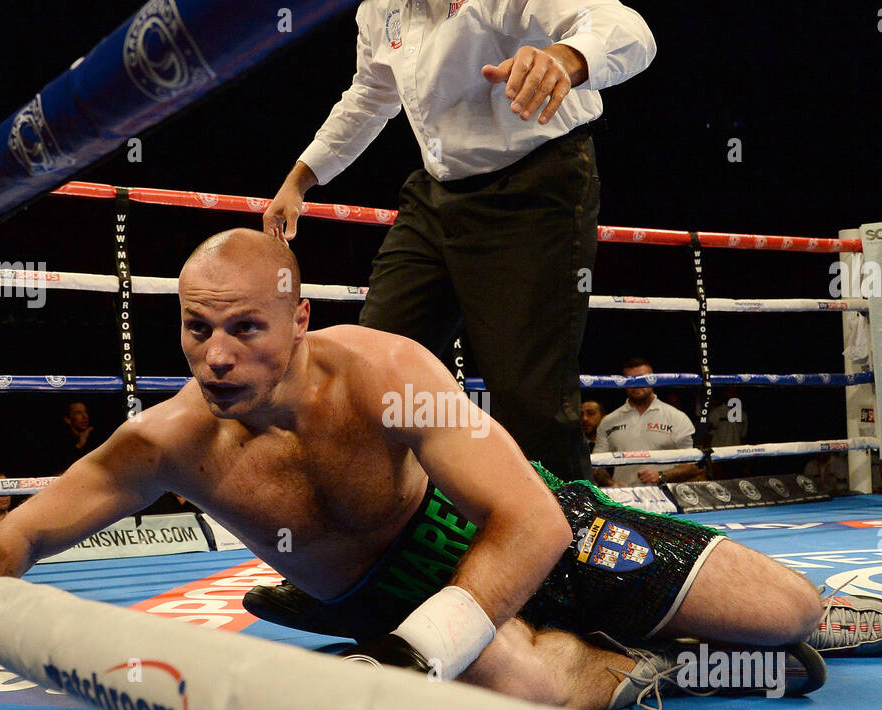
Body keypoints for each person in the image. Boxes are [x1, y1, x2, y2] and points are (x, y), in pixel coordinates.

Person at [0, 231, 882, 710]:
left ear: (295, 320)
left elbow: (530, 516)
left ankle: (713, 618)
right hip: (391, 597)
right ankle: (627, 664)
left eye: (244, 327)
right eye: (195, 329)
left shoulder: (388, 373)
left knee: (784, 615)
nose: (215, 355)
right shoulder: (167, 442)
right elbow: (11, 547)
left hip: (524, 535)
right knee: (529, 702)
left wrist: (423, 649)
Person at [263, 1, 657, 483]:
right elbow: (369, 96)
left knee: (529, 394)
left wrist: (567, 57)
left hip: (533, 186)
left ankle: (562, 537)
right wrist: (299, 182)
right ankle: (398, 515)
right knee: (375, 361)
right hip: (436, 193)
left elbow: (630, 30)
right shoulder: (377, 10)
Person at [592, 358, 702, 487]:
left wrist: (661, 476)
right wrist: (610, 483)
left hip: (665, 497)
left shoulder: (677, 418)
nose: (636, 385)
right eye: (630, 380)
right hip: (623, 498)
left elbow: (693, 466)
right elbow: (596, 464)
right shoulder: (609, 421)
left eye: (642, 379)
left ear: (653, 379)